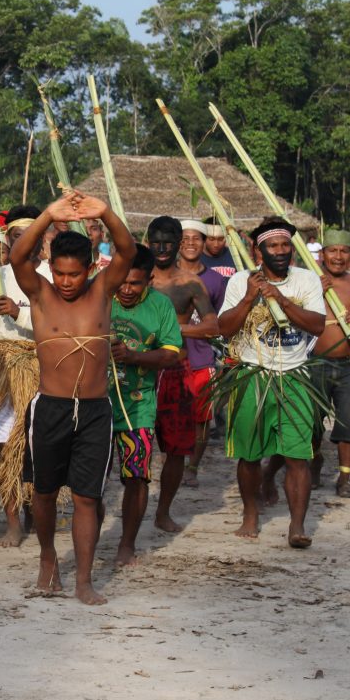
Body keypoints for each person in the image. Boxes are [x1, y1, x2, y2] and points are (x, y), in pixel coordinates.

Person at [11, 191, 135, 605]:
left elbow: (127, 251)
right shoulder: (40, 294)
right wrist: (48, 214)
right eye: (60, 273)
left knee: (87, 497)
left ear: (91, 268)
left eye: (74, 275)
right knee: (45, 493)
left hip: (96, 411)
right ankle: (48, 557)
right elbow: (17, 257)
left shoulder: (102, 293)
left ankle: (84, 579)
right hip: (51, 408)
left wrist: (105, 213)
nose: (66, 282)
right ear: (51, 269)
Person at [218, 217, 325, 548]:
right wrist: (249, 298)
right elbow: (225, 328)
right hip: (252, 376)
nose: (280, 251)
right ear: (258, 251)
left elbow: (317, 325)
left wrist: (282, 300)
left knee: (297, 457)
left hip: (295, 378)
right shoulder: (241, 281)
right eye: (273, 246)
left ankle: (297, 525)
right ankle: (250, 513)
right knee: (249, 455)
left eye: (285, 245)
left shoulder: (307, 280)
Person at [262, 230, 350, 502]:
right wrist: (314, 291)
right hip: (312, 362)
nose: (338, 257)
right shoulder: (306, 282)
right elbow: (285, 310)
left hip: (349, 365)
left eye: (343, 251)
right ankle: (314, 461)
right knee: (311, 421)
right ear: (322, 254)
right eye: (332, 251)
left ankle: (345, 478)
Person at [0, 204, 48, 547]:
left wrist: (21, 314)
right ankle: (12, 520)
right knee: (6, 446)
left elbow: (59, 320)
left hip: (44, 365)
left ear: (41, 239)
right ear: (9, 239)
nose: (24, 242)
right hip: (4, 367)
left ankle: (36, 512)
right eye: (17, 236)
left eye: (30, 236)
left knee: (38, 446)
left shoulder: (55, 273)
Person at [142, 216, 219, 531]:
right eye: (156, 243)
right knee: (137, 444)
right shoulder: (136, 278)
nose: (161, 249)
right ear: (147, 243)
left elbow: (212, 326)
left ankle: (163, 512)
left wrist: (174, 329)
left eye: (168, 243)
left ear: (178, 245)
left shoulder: (189, 283)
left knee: (175, 449)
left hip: (176, 371)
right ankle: (134, 508)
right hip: (138, 371)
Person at [109, 244, 182, 565]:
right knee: (92, 480)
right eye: (121, 282)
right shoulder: (98, 295)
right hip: (94, 404)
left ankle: (127, 544)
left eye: (135, 283)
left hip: (137, 407)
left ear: (149, 280)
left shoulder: (160, 306)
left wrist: (134, 356)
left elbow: (171, 354)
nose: (126, 289)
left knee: (136, 475)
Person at [175, 219, 227, 487]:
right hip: (170, 360)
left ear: (204, 243)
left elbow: (220, 321)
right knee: (171, 416)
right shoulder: (164, 276)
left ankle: (193, 466)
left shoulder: (216, 280)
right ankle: (172, 462)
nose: (190, 243)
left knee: (202, 417)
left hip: (203, 359)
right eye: (185, 238)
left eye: (196, 238)